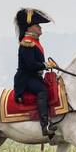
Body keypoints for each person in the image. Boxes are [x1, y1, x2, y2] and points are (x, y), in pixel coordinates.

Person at [13, 7, 56, 138]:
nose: (40, 27)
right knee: (42, 91)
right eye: (37, 25)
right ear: (30, 27)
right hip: (26, 78)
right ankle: (45, 125)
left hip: (33, 77)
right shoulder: (27, 42)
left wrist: (47, 66)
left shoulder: (34, 41)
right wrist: (45, 65)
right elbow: (31, 66)